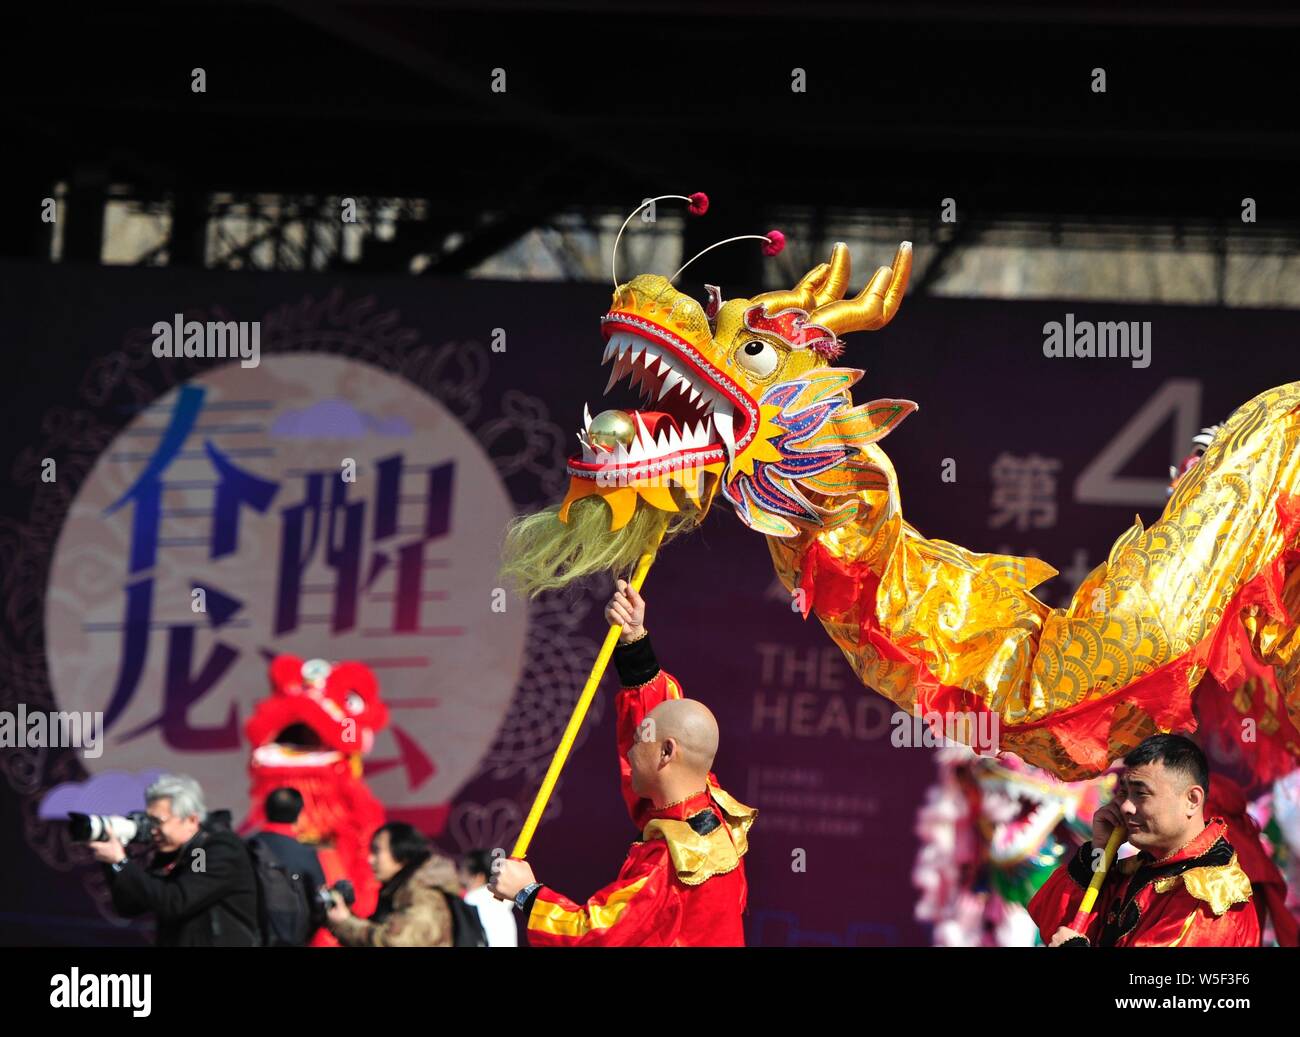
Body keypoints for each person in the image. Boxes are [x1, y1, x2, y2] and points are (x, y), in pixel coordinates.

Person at [489, 580, 757, 946]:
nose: (630, 750)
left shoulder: (670, 862)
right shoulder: (707, 808)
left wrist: (526, 894)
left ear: (666, 753)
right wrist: (634, 643)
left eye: (640, 742)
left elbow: (597, 934)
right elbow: (664, 721)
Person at [1028, 734, 1260, 947]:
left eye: (1141, 793)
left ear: (1192, 799)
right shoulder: (1145, 867)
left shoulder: (1210, 895)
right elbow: (1055, 924)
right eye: (1123, 793)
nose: (1126, 807)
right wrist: (1099, 851)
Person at [93, 773, 260, 947]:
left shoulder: (210, 850)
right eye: (149, 821)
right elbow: (130, 905)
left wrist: (121, 862)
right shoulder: (174, 851)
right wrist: (112, 862)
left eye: (158, 822)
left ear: (191, 820)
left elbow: (176, 901)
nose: (152, 830)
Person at [325, 822, 466, 947]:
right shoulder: (404, 889)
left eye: (376, 851)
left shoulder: (424, 894)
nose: (370, 859)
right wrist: (346, 917)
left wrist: (345, 922)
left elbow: (395, 942)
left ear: (402, 855)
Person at [459, 850, 519, 947]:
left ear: (479, 877)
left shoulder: (474, 906)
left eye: (463, 871)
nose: (459, 875)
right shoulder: (500, 906)